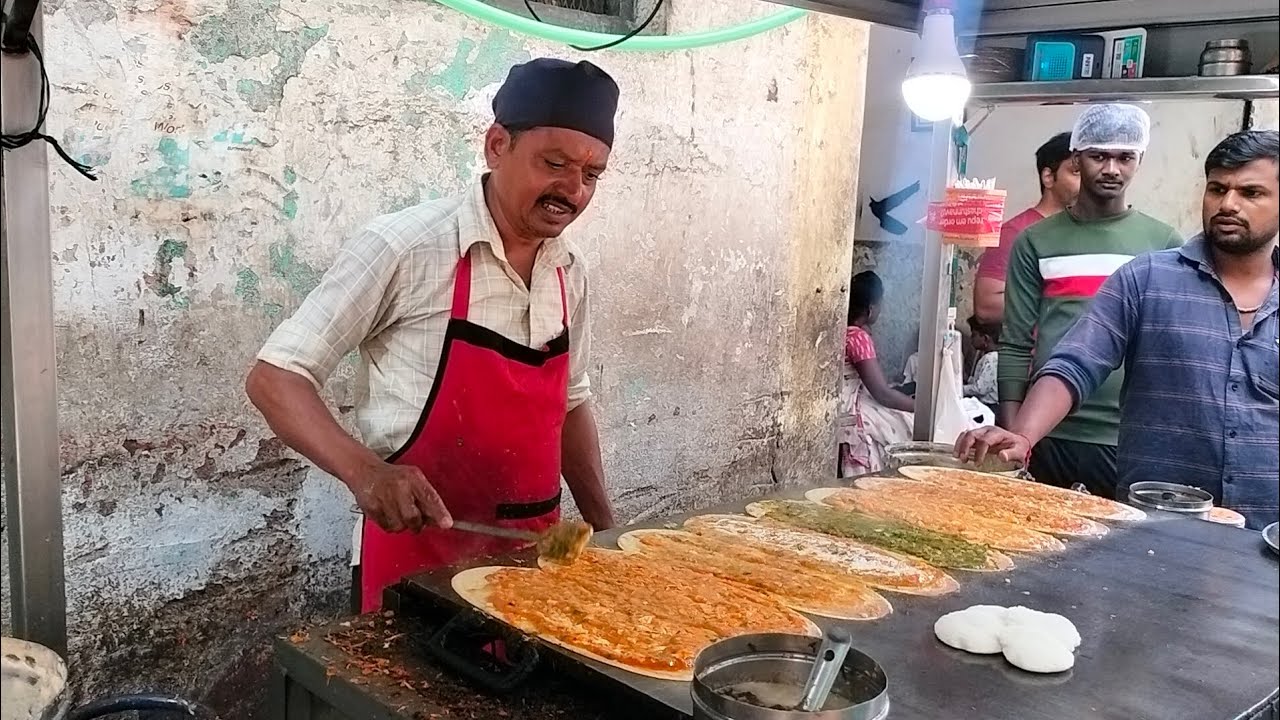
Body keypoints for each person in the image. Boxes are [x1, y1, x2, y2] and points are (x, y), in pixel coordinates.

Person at [245, 58, 620, 612]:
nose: (573, 190)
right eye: (555, 163)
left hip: (538, 562)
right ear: (496, 146)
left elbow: (570, 403)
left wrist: (605, 531)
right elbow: (276, 377)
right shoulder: (405, 247)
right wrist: (366, 473)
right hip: (417, 564)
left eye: (592, 175)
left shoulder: (570, 271)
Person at [958, 130, 1279, 529]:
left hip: (1265, 535)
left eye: (1251, 193)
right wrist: (1023, 434)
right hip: (1158, 521)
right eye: (1217, 189)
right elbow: (1076, 362)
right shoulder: (1146, 278)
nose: (1228, 204)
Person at [998, 104, 1182, 498]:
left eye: (1124, 157)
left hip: (1125, 435)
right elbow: (1015, 341)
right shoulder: (1036, 241)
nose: (1112, 168)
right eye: (1099, 155)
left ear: (1139, 160)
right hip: (1048, 430)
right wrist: (1015, 431)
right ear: (1077, 159)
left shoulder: (1163, 244)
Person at [972, 132, 1079, 324]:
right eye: (1076, 172)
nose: (1087, 183)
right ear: (1048, 177)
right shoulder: (1016, 232)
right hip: (1036, 353)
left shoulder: (1091, 230)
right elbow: (986, 307)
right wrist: (1063, 303)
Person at [837, 271, 914, 476]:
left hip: (840, 404)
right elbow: (882, 393)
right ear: (871, 309)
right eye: (880, 305)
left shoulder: (840, 331)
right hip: (851, 409)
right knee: (903, 426)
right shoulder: (858, 337)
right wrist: (920, 409)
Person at [964, 316, 1000, 413]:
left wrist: (959, 390)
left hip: (990, 407)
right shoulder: (986, 356)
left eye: (974, 335)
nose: (971, 339)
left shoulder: (992, 358)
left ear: (985, 338)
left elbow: (980, 389)